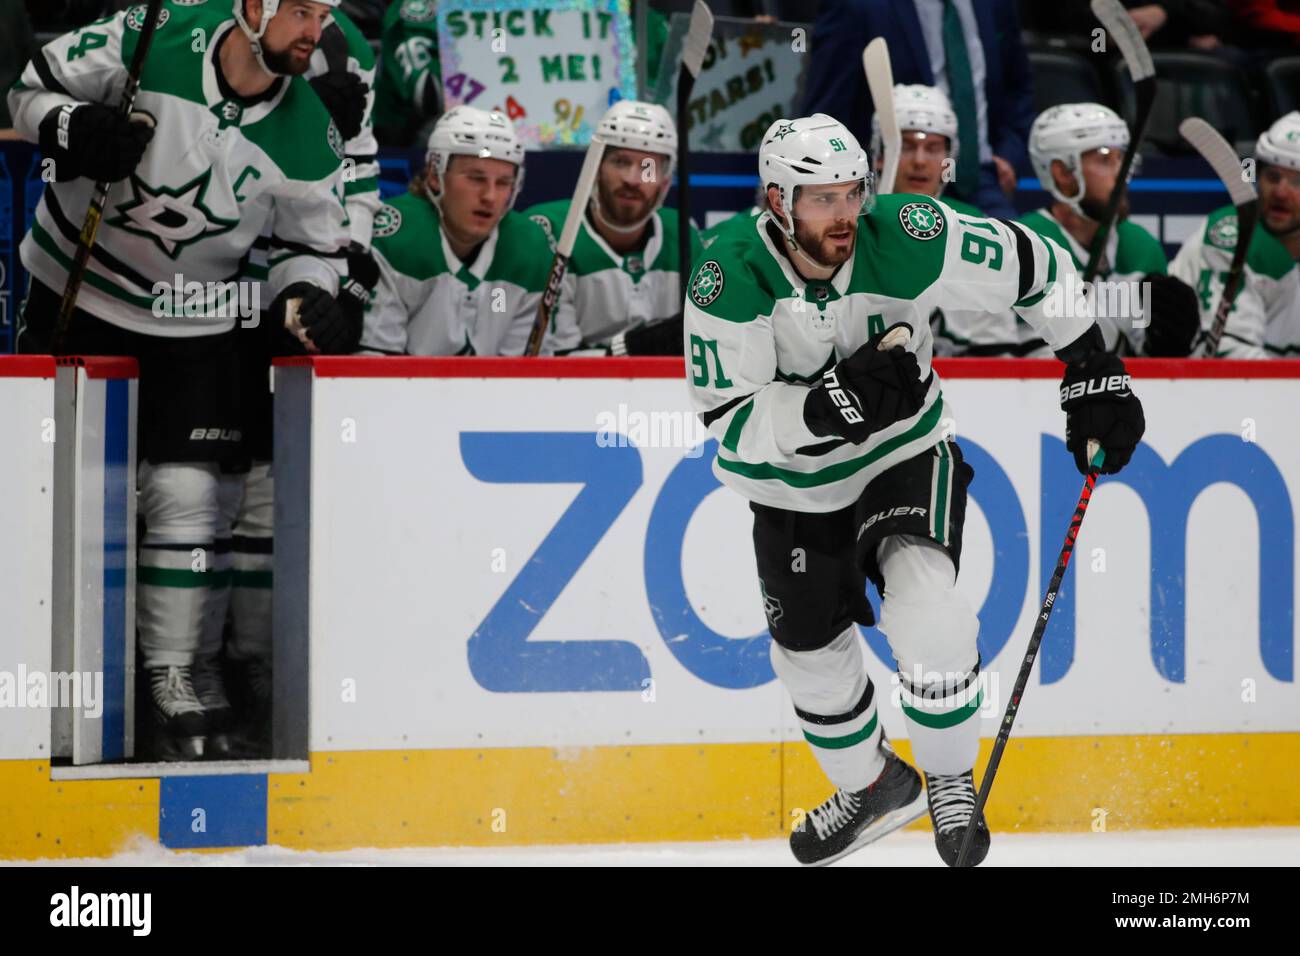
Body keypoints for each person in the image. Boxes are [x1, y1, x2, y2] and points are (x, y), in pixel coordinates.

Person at [683, 113, 1145, 866]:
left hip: (903, 450)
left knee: (930, 615)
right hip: (794, 484)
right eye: (822, 200)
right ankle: (872, 786)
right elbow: (728, 420)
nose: (845, 215)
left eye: (852, 193)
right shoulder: (728, 274)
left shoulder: (907, 231)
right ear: (776, 201)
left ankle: (950, 776)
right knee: (808, 658)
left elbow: (1035, 264)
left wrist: (1090, 363)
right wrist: (823, 408)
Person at [8, 0, 359, 759]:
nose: (315, 32)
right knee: (62, 493)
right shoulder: (152, 34)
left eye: (324, 15)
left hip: (195, 320)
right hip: (77, 290)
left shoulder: (312, 132)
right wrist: (73, 127)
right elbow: (26, 90)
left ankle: (168, 672)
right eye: (301, 11)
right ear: (254, 6)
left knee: (190, 495)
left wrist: (307, 294)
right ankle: (48, 674)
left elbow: (310, 246)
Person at [205, 0, 382, 758]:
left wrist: (342, 287)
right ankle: (183, 666)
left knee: (267, 495)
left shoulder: (344, 40)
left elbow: (359, 185)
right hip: (201, 295)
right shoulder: (216, 22)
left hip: (286, 297)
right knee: (193, 494)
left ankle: (249, 664)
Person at [933, 103, 1199, 357]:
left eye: (1122, 158)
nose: (1121, 173)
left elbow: (1155, 361)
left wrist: (1165, 345)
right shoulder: (1022, 246)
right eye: (1105, 159)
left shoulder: (1143, 246)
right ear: (1062, 172)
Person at [361, 106, 565, 356]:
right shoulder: (396, 238)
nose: (490, 196)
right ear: (435, 174)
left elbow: (516, 367)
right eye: (476, 178)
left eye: (503, 183)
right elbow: (375, 365)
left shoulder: (527, 248)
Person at [801, 0, 1033, 218]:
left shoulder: (995, 4)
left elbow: (1018, 87)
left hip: (980, 177)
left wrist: (1009, 154)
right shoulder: (857, 6)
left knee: (1018, 244)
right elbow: (827, 110)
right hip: (889, 180)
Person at [525, 100, 703, 356]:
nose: (632, 179)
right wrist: (635, 348)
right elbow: (553, 362)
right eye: (620, 162)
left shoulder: (684, 234)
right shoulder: (549, 231)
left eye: (648, 168)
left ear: (664, 183)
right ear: (595, 168)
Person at [1169, 111, 1300, 356]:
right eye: (1273, 177)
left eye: (1297, 182)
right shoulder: (1231, 232)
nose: (1281, 193)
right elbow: (1232, 361)